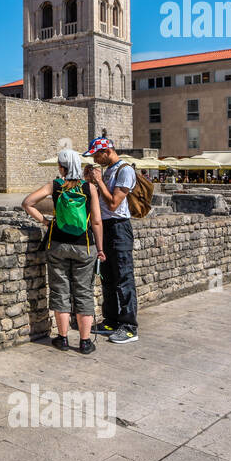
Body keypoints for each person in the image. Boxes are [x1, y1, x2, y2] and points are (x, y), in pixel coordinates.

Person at [22, 148, 105, 354]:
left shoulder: (55, 185)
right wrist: (100, 248)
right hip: (84, 246)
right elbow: (96, 221)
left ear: (62, 167)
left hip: (57, 245)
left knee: (60, 291)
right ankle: (85, 342)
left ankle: (63, 338)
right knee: (83, 292)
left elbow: (28, 203)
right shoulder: (89, 188)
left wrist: (46, 222)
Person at [84, 136, 139, 344]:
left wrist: (98, 181)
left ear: (106, 151)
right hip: (106, 227)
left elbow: (114, 203)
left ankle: (129, 326)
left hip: (119, 227)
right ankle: (111, 320)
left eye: (97, 155)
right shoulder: (109, 170)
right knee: (108, 275)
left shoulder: (125, 170)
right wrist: (92, 181)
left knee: (124, 276)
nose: (96, 160)